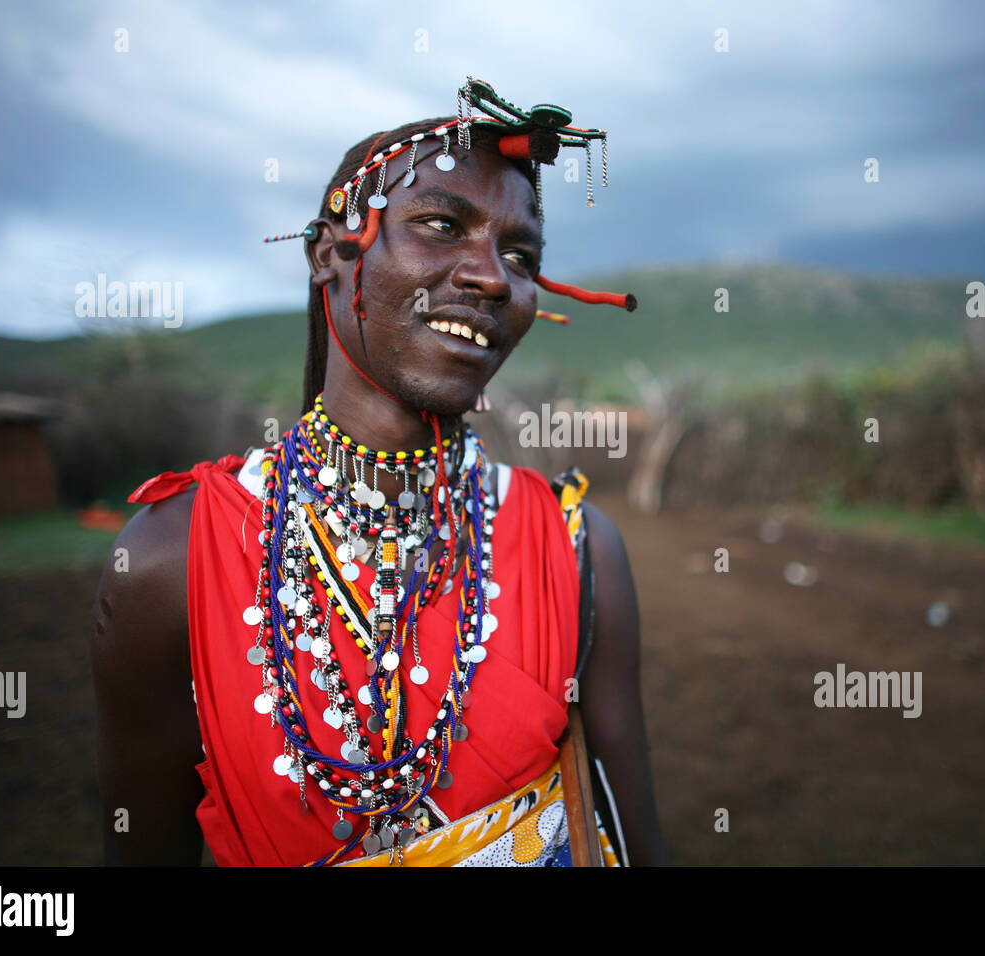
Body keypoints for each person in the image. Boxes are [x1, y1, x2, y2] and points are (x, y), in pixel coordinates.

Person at [90, 78, 669, 866]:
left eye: (521, 254)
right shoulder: (168, 561)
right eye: (441, 224)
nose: (493, 277)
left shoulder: (576, 551)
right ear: (330, 252)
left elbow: (635, 843)